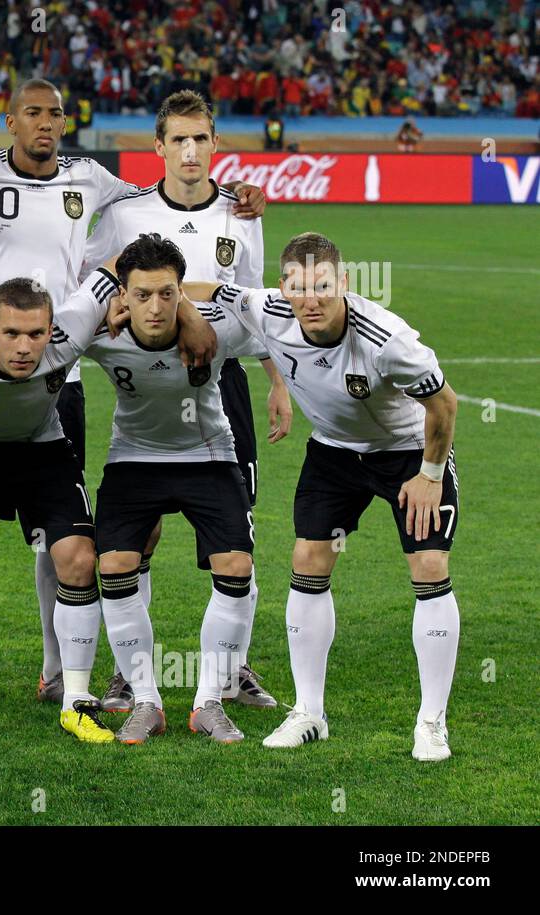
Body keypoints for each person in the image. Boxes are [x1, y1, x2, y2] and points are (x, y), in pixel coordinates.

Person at [0, 268, 196, 747]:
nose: (25, 347)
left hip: (41, 450)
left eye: (36, 334)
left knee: (80, 558)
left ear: (51, 329)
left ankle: (77, 700)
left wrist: (187, 312)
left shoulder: (72, 328)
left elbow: (127, 266)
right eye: (12, 334)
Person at [187, 232, 461, 761]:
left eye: (322, 286)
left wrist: (428, 474)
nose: (310, 299)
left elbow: (444, 405)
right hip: (335, 451)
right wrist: (156, 294)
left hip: (406, 450)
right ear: (283, 285)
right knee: (309, 557)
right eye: (298, 286)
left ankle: (432, 722)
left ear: (344, 284)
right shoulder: (267, 310)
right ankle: (309, 713)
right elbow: (213, 290)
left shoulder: (388, 339)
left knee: (428, 562)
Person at [82, 89, 289, 711]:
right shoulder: (125, 213)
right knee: (134, 536)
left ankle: (235, 668)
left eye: (201, 138)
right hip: (145, 382)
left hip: (222, 380)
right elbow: (93, 286)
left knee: (234, 534)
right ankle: (128, 673)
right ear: (160, 147)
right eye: (179, 139)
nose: (190, 151)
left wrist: (278, 379)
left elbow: (257, 304)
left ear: (215, 143)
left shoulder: (242, 214)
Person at [88, 234, 271, 745]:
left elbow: (279, 323)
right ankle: (145, 700)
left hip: (208, 457)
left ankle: (209, 702)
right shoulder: (99, 332)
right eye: (142, 295)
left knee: (235, 567)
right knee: (115, 565)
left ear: (181, 292)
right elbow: (38, 328)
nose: (155, 306)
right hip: (133, 459)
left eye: (167, 294)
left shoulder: (218, 327)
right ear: (122, 294)